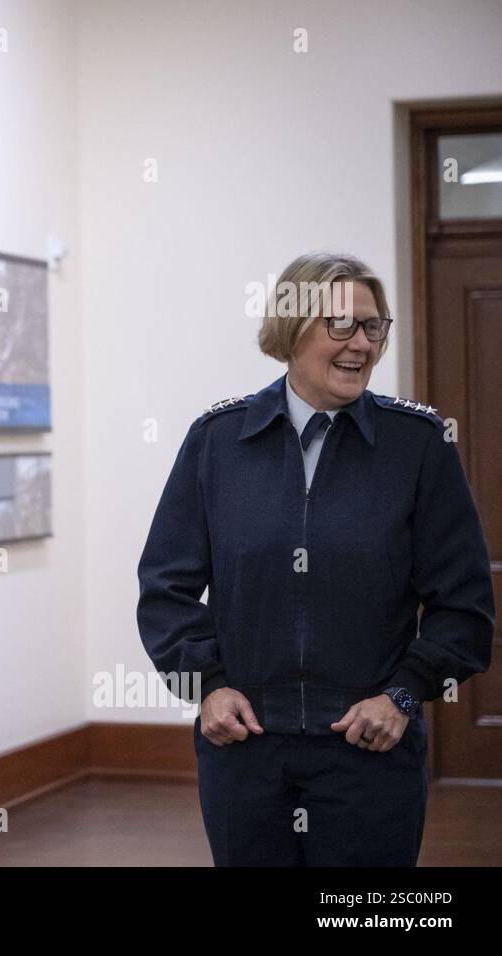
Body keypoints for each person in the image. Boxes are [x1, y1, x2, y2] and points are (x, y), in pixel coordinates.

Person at [137, 251, 494, 866]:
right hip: (244, 749)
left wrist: (403, 697)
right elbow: (165, 588)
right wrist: (207, 686)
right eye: (341, 326)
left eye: (373, 327)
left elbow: (464, 605)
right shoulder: (218, 442)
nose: (361, 343)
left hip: (369, 750)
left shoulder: (419, 445)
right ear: (290, 328)